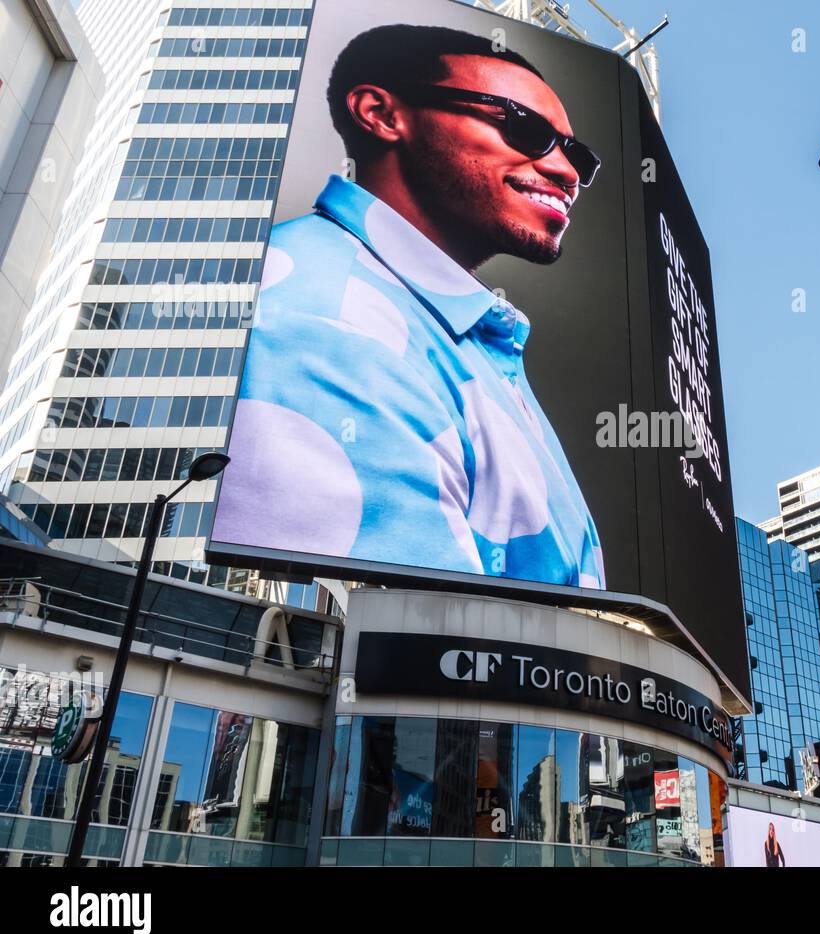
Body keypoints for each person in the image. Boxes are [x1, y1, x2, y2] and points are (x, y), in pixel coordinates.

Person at [214, 24, 605, 589]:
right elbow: (417, 631)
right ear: (380, 113)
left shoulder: (464, 336)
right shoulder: (327, 322)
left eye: (578, 157)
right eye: (524, 129)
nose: (567, 173)